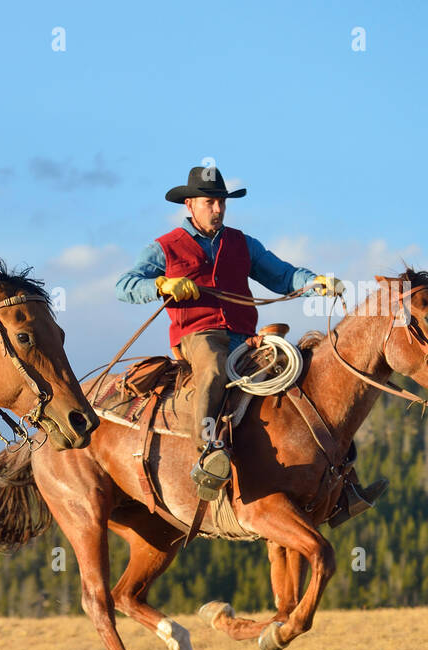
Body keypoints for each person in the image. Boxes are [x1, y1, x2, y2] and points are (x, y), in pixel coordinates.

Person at [116, 166, 386, 518]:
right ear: (191, 204)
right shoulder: (165, 247)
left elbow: (283, 274)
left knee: (306, 377)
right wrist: (161, 285)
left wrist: (314, 280)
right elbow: (124, 285)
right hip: (198, 336)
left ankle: (342, 483)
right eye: (211, 202)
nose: (218, 209)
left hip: (247, 339)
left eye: (222, 203)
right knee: (213, 368)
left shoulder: (242, 244)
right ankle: (208, 451)